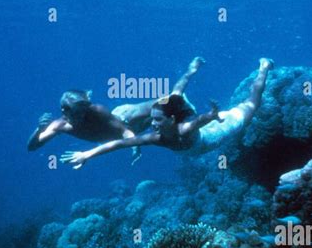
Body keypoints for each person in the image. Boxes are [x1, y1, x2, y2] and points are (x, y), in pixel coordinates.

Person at [60, 58, 273, 169]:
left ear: (171, 120)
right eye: (152, 119)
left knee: (251, 105)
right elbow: (119, 144)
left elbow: (200, 120)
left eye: (157, 120)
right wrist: (87, 154)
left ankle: (263, 68)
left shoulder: (183, 128)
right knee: (175, 94)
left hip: (213, 136)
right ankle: (191, 69)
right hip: (195, 130)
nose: (151, 124)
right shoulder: (157, 136)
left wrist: (214, 115)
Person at [27, 57, 205, 154]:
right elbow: (32, 147)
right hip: (124, 131)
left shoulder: (96, 110)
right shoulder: (59, 126)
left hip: (127, 117)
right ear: (65, 111)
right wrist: (38, 130)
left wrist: (135, 145)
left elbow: (124, 131)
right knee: (162, 115)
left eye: (85, 110)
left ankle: (190, 71)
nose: (83, 116)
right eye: (78, 113)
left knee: (169, 99)